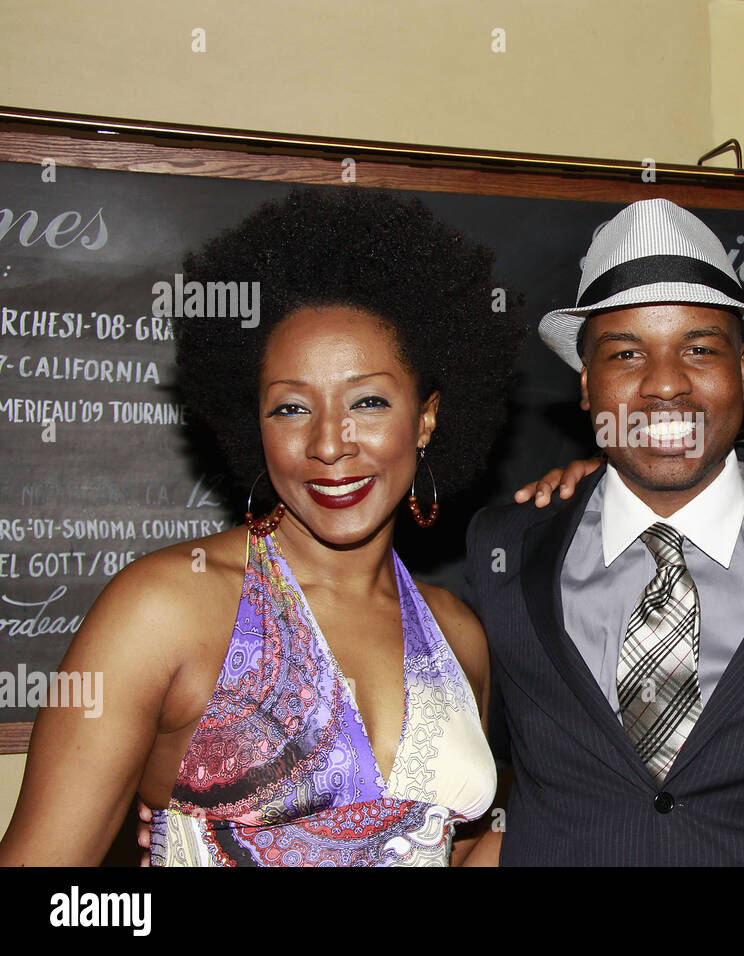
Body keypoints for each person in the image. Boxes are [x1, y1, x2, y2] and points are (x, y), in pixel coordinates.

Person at [0, 188, 519, 866]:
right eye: (291, 409)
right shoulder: (166, 607)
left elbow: (445, 847)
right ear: (255, 426)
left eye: (367, 400)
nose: (330, 443)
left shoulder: (458, 635)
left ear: (424, 419)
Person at [466, 198, 744, 865]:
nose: (665, 384)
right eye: (626, 354)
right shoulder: (505, 550)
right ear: (586, 386)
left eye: (699, 349)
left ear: (742, 372)